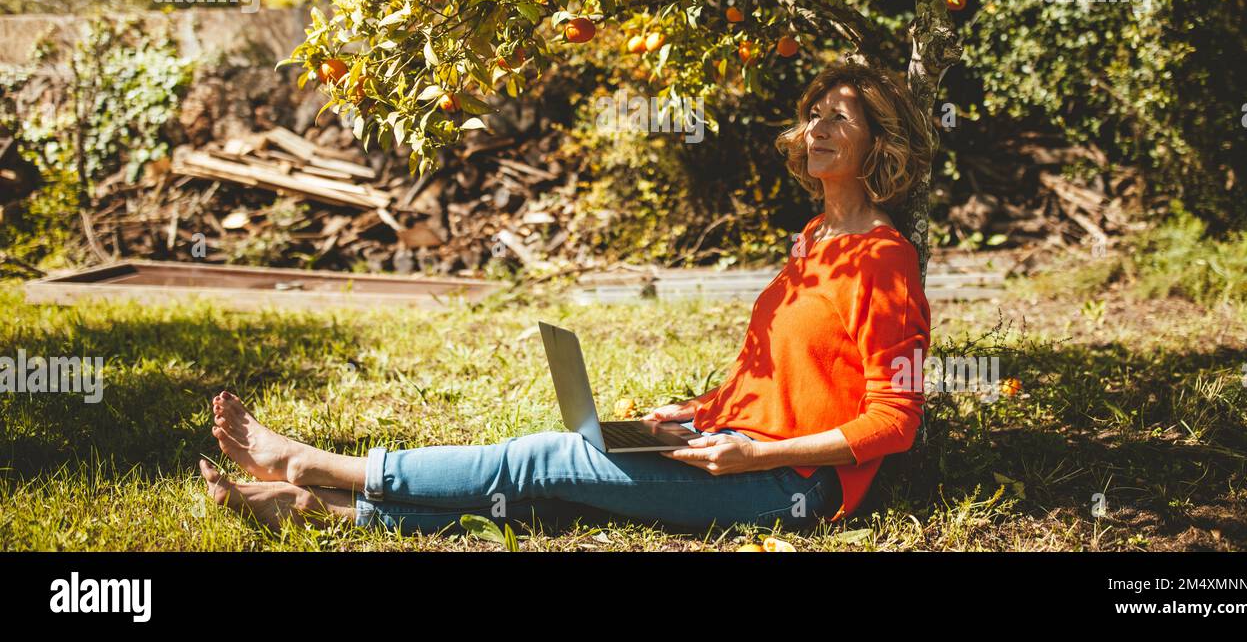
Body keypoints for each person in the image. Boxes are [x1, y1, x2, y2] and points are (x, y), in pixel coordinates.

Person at [200, 55, 936, 536]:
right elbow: (780, 377)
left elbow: (894, 420)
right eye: (814, 113)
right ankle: (316, 508)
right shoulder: (812, 239)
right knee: (555, 494)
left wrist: (749, 457)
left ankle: (316, 464)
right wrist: (697, 416)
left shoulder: (885, 260)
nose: (817, 127)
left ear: (879, 140)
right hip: (739, 451)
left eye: (840, 116)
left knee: (540, 458)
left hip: (794, 488)